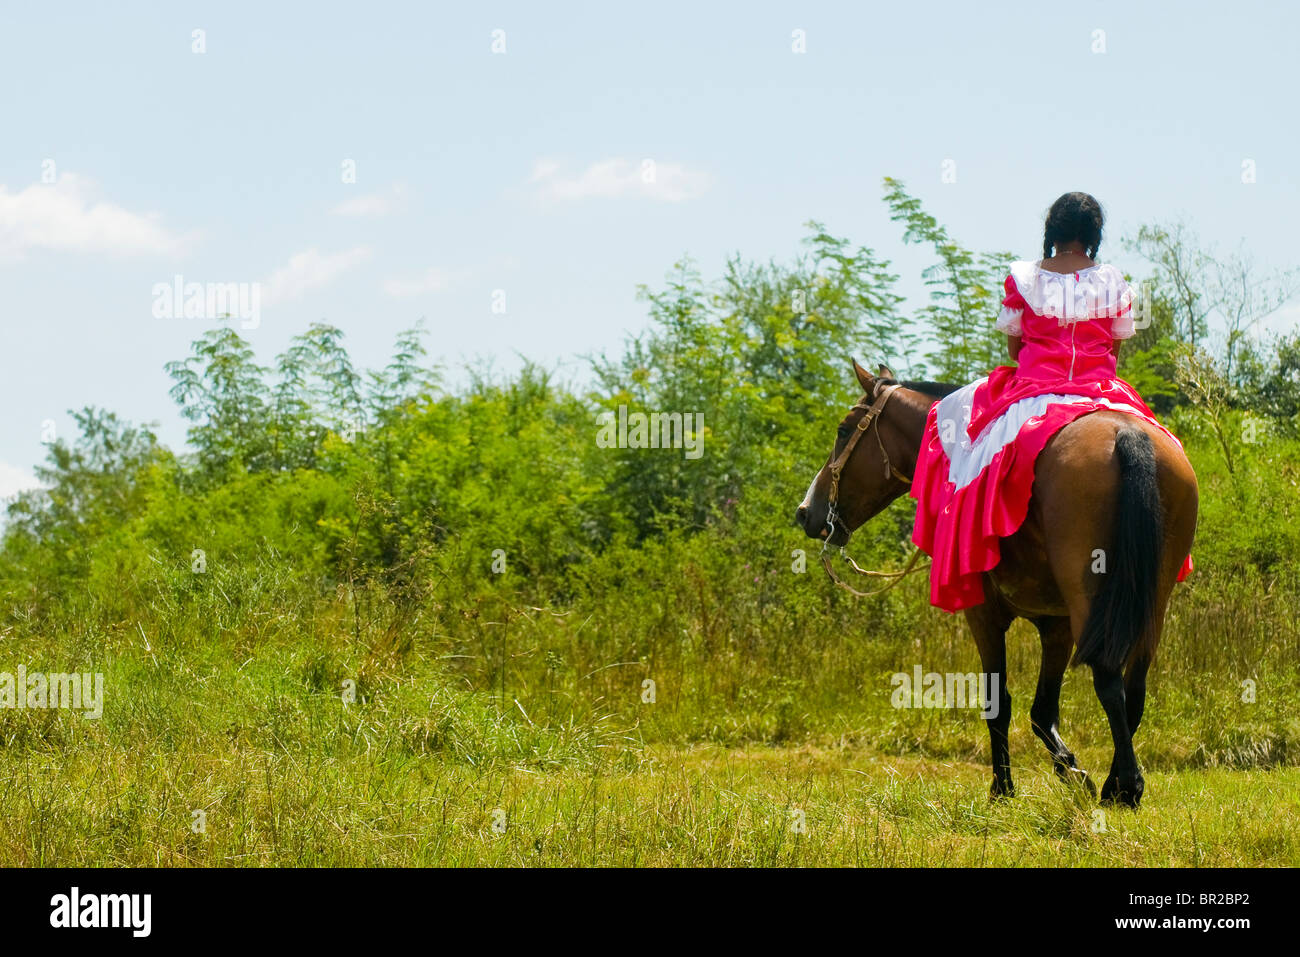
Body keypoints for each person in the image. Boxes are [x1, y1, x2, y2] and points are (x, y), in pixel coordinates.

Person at [909, 192, 1192, 612]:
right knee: (1166, 445)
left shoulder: (1024, 279)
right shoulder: (1113, 280)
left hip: (1034, 390)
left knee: (959, 431)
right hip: (1102, 390)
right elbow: (1115, 347)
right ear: (1094, 235)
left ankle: (971, 551)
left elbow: (1013, 347)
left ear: (1052, 231)